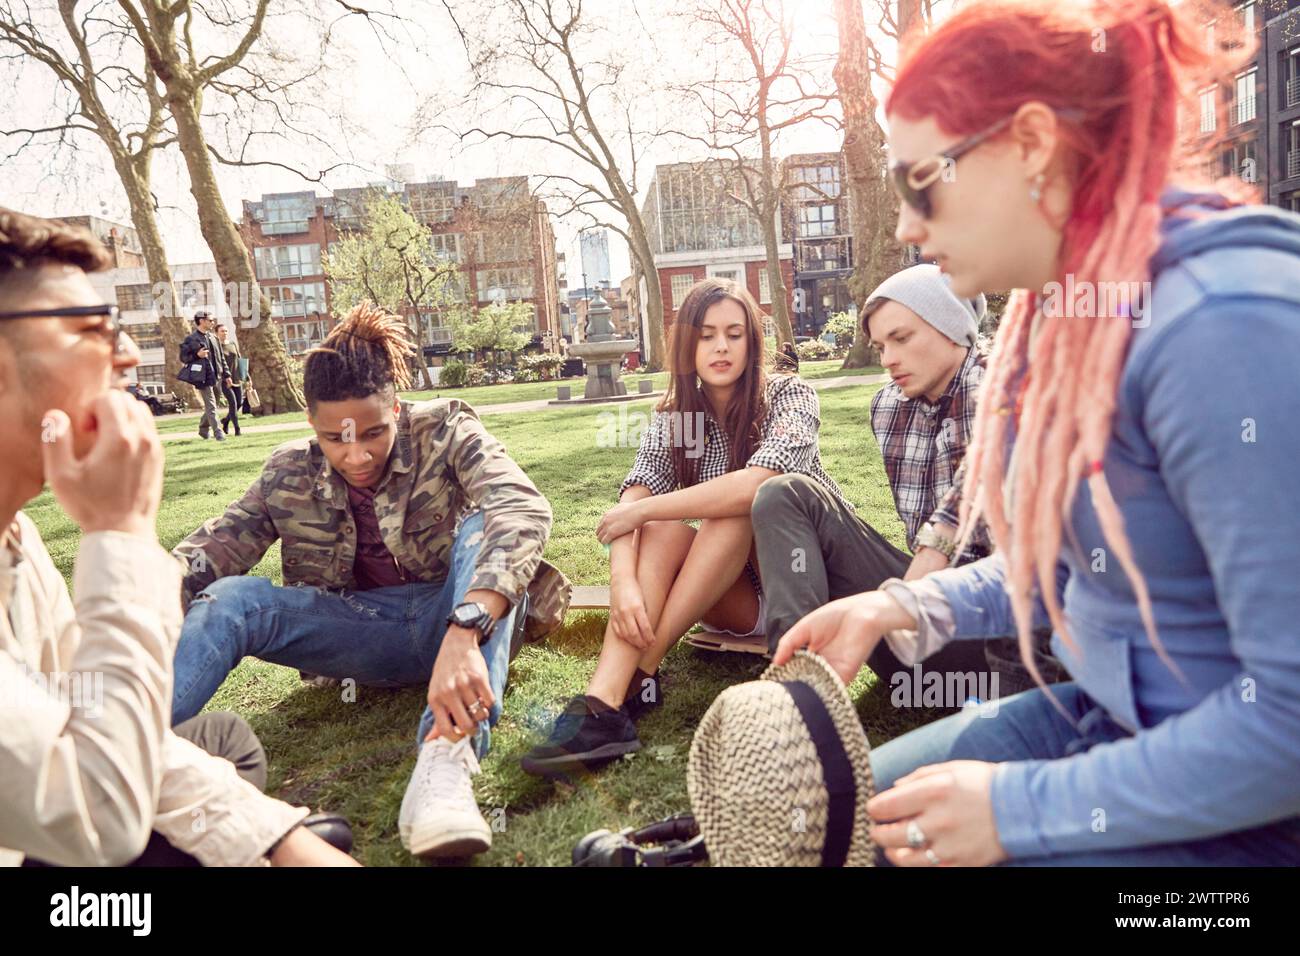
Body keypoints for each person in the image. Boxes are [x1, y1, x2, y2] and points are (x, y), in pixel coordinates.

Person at [774, 0, 1300, 866]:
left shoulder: (1220, 325)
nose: (905, 227)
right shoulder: (1062, 309)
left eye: (921, 181)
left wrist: (1018, 811)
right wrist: (898, 604)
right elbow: (1061, 564)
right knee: (833, 834)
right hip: (1102, 723)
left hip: (1250, 817)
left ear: (1028, 141)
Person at [0, 207, 355, 867]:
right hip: (66, 830)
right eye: (91, 330)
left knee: (222, 743)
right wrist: (120, 531)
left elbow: (79, 706)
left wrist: (279, 841)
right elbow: (101, 814)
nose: (129, 354)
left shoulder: (14, 539)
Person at [169, 302, 570, 860]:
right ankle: (123, 747)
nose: (356, 454)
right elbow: (213, 548)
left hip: (453, 617)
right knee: (230, 599)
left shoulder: (445, 428)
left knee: (488, 530)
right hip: (360, 632)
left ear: (397, 410)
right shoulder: (287, 472)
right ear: (312, 424)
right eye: (336, 439)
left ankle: (443, 768)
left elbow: (521, 507)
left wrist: (464, 627)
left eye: (374, 432)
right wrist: (139, 602)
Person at [521, 277, 851, 777]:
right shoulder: (676, 416)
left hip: (803, 587)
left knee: (740, 502)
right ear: (687, 345)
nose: (721, 346)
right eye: (706, 334)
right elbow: (633, 500)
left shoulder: (791, 395)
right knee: (661, 529)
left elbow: (758, 483)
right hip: (732, 597)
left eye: (735, 334)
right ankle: (603, 703)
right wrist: (623, 584)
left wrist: (645, 510)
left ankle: (642, 671)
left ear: (752, 341)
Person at [754, 263, 1062, 697]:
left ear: (952, 328)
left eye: (901, 338)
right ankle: (798, 688)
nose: (888, 359)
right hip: (920, 625)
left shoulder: (1004, 386)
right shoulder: (888, 407)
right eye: (880, 346)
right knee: (785, 493)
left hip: (1012, 626)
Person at [180, 310, 231, 441]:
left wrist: (227, 374)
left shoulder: (214, 338)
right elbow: (183, 357)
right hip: (203, 377)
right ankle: (218, 432)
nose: (213, 322)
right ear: (201, 321)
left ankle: (203, 429)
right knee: (211, 404)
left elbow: (222, 358)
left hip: (217, 376)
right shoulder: (191, 339)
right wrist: (197, 355)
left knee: (213, 405)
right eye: (210, 320)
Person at [216, 322, 242, 436]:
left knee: (239, 403)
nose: (225, 333)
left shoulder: (232, 344)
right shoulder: (216, 348)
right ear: (216, 333)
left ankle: (226, 421)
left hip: (237, 379)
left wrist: (247, 377)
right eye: (222, 331)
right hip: (224, 380)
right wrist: (225, 377)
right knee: (233, 403)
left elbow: (240, 360)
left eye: (226, 331)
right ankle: (237, 429)